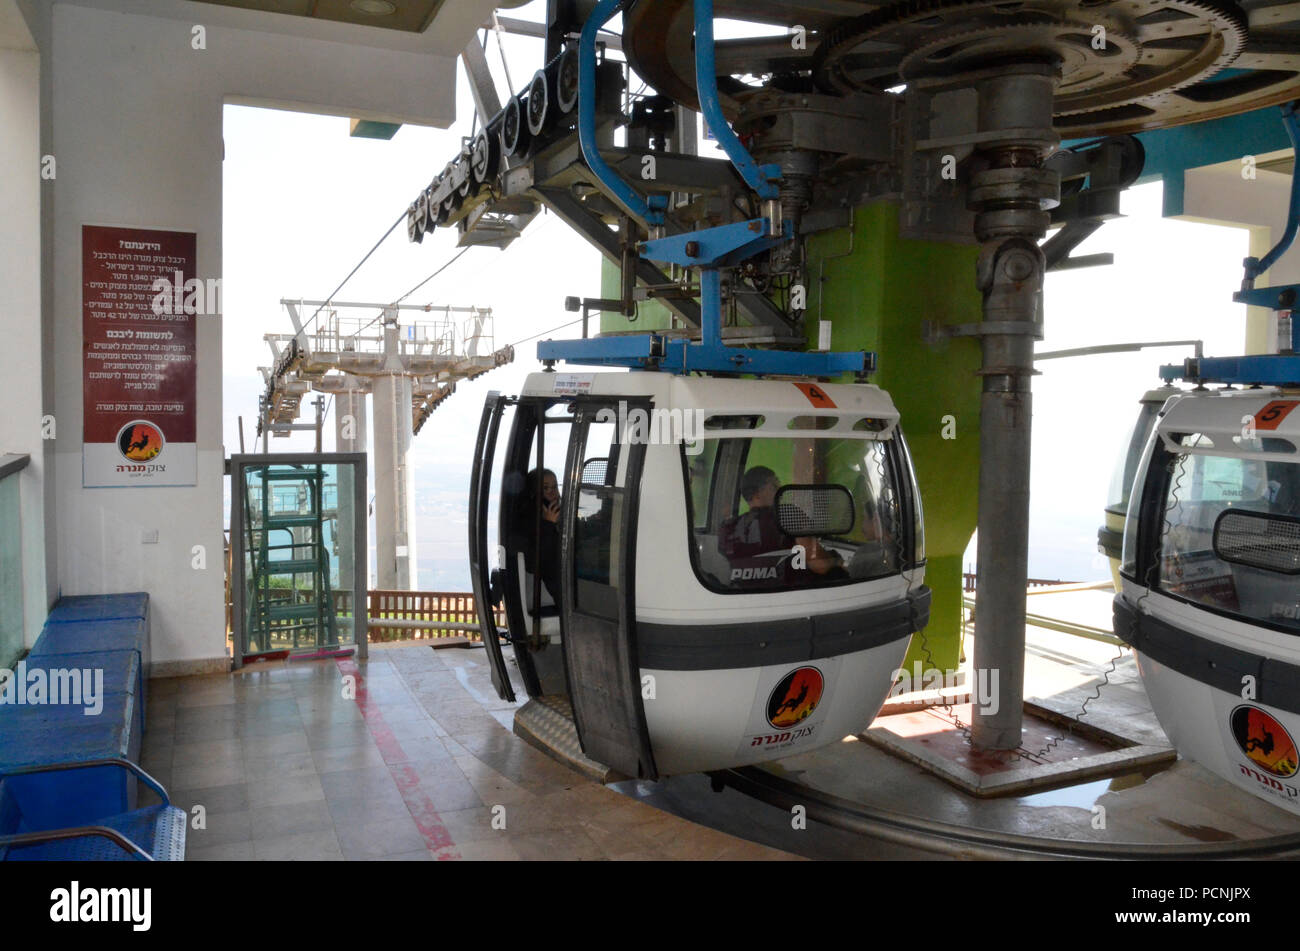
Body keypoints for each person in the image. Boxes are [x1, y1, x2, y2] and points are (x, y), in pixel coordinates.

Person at [719, 466, 845, 587]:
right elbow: (820, 565)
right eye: (774, 486)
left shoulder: (729, 528)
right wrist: (835, 560)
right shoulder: (789, 515)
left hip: (745, 597)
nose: (781, 490)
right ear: (757, 494)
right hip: (792, 594)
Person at [515, 467, 561, 606]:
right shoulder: (529, 519)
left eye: (554, 487)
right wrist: (548, 524)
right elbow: (534, 563)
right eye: (546, 488)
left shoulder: (560, 509)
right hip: (558, 581)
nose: (552, 492)